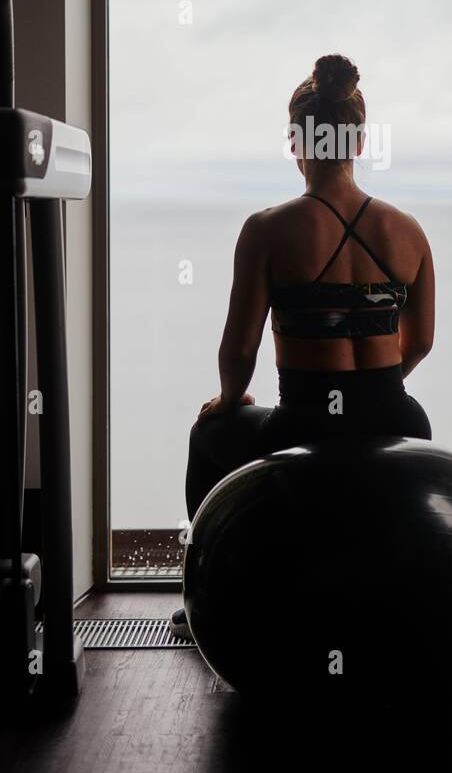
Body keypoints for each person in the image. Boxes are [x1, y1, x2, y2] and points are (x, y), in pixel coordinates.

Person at [171, 53, 435, 638]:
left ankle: (211, 598)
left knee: (206, 436)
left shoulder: (267, 229)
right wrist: (374, 391)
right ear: (360, 140)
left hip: (303, 423)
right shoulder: (408, 230)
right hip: (397, 420)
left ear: (296, 141)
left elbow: (239, 352)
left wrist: (228, 399)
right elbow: (421, 343)